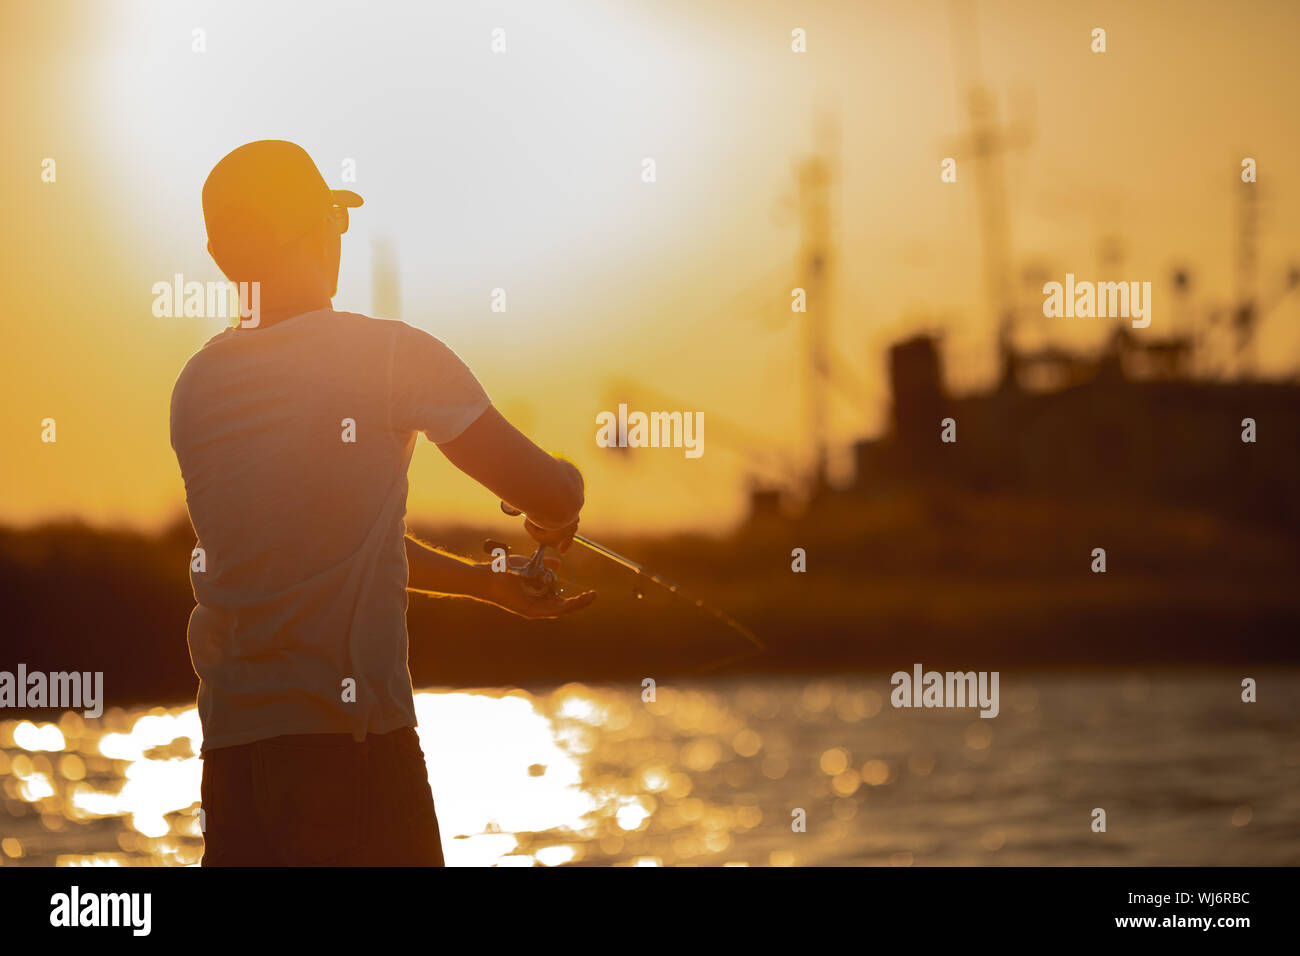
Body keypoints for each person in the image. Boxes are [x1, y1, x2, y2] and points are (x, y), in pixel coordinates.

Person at [170, 139, 595, 866]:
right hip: (357, 756)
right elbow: (545, 491)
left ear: (220, 254)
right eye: (335, 226)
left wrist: (487, 584)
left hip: (235, 769)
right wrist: (561, 503)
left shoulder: (198, 389)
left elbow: (333, 542)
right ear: (315, 234)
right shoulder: (392, 356)